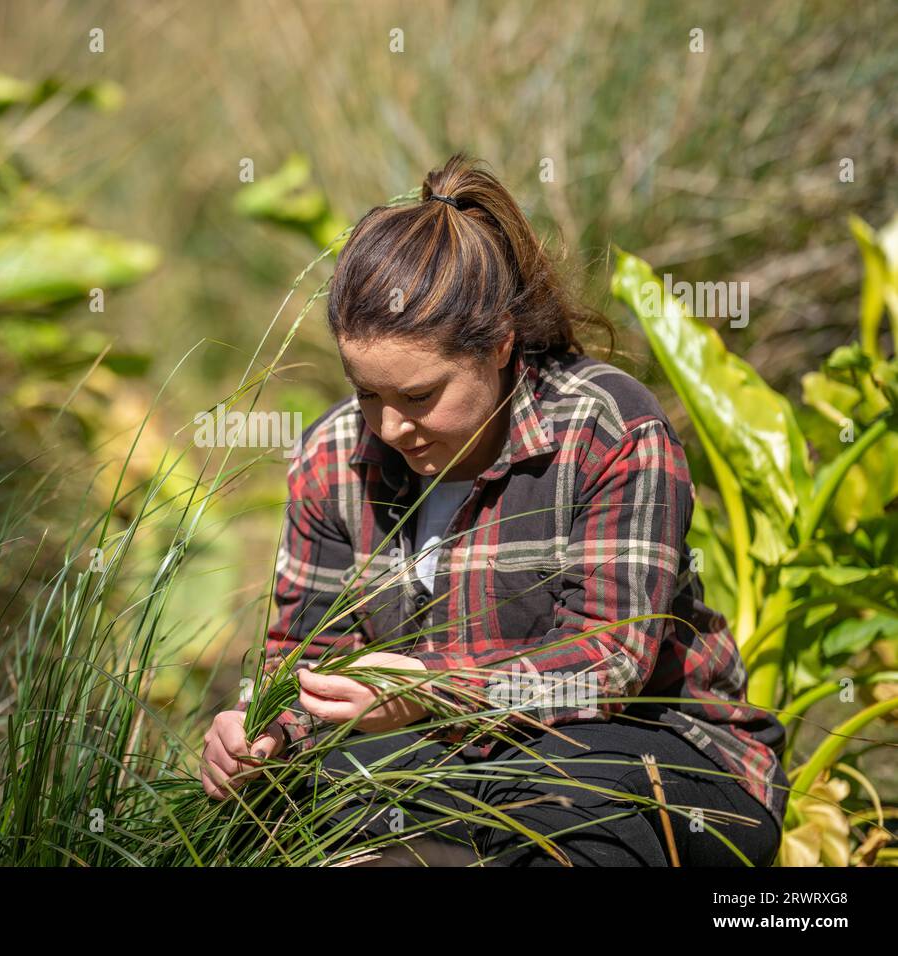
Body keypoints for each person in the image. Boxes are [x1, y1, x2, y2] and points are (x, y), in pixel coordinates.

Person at [200, 153, 790, 866]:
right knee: (270, 815)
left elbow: (608, 666)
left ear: (502, 344)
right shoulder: (330, 456)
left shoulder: (607, 428)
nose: (388, 427)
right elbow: (305, 658)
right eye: (367, 395)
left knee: (563, 807)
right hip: (456, 769)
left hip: (652, 758)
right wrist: (263, 735)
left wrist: (434, 695)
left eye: (419, 396)